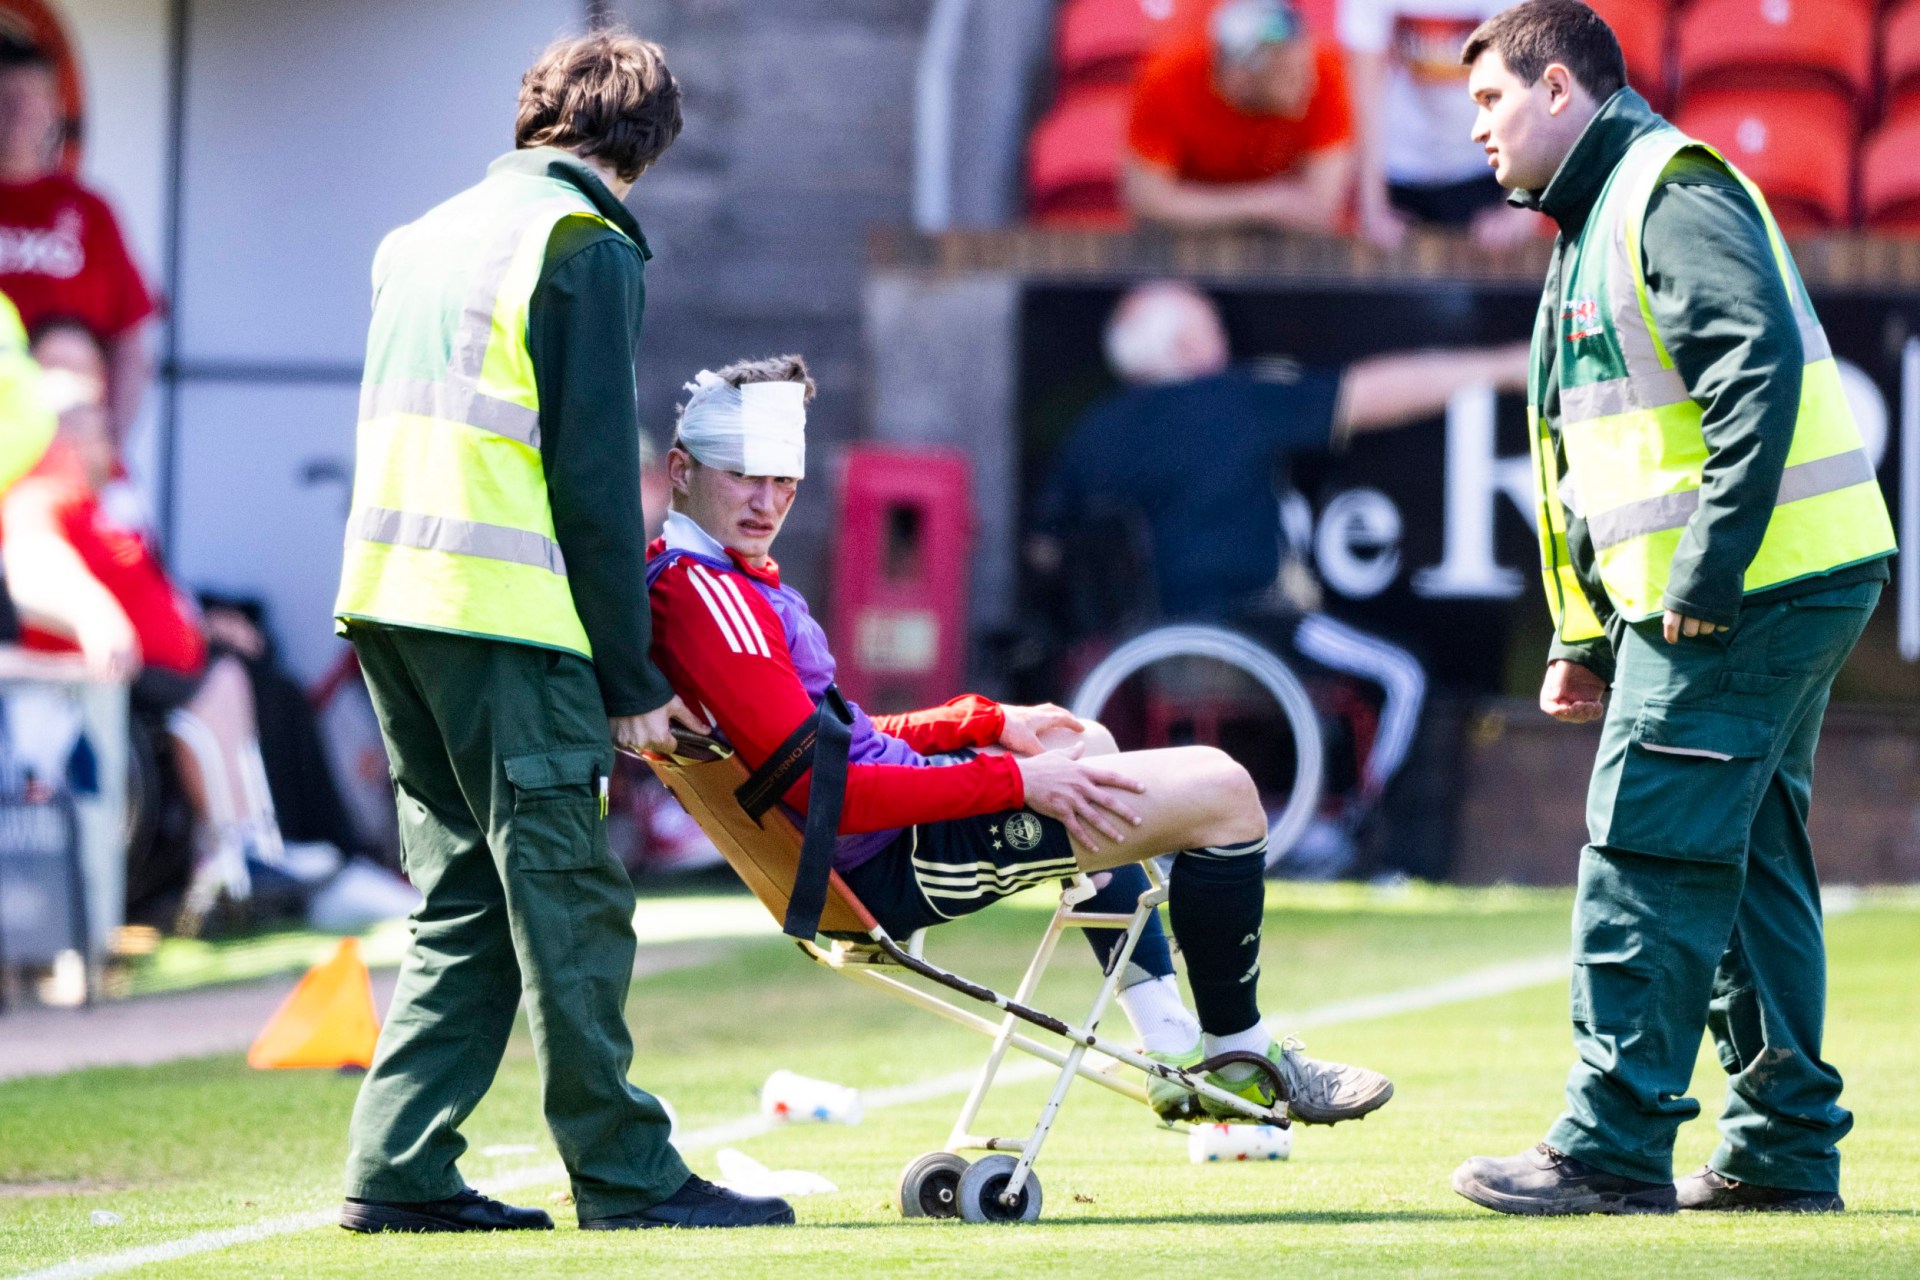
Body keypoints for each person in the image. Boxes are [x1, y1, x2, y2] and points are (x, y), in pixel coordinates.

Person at [647, 353, 1398, 1129]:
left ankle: (1175, 1045)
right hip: (890, 859)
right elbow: (823, 789)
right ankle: (1240, 1054)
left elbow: (840, 740)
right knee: (1226, 792)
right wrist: (1014, 784)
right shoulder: (710, 596)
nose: (766, 502)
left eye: (784, 481)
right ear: (680, 470)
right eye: (743, 477)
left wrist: (987, 721)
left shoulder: (712, 577)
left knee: (1087, 742)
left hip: (881, 841)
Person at [331, 31, 789, 1233]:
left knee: (464, 896)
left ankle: (400, 1165)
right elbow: (593, 482)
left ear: (536, 116)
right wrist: (632, 679)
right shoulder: (585, 244)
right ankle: (627, 1172)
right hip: (504, 617)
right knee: (567, 893)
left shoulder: (418, 236)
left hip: (390, 599)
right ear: (646, 149)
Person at [1450, 1, 1895, 1217]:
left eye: (1491, 101)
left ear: (1558, 90)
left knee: (1646, 847)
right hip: (1771, 578)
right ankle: (1782, 1147)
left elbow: (1753, 370)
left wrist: (1699, 580)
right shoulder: (1603, 212)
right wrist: (1586, 629)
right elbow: (1587, 465)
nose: (1477, 132)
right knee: (1745, 864)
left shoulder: (1663, 190)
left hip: (1741, 589)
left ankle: (1609, 1143)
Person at [1029, 281, 1526, 873]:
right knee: (1404, 674)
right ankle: (1370, 842)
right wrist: (1505, 367)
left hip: (1141, 649)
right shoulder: (1232, 400)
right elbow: (1372, 394)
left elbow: (1045, 548)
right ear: (1189, 345)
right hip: (1253, 626)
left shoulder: (1095, 433)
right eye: (1213, 325)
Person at [0, 39, 156, 451]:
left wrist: (110, 446)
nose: (17, 113)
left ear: (55, 109)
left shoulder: (90, 212)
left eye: (30, 98)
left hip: (66, 451)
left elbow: (130, 342)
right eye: (6, 98)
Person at [1125, 0, 1356, 234]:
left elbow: (1320, 209)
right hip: (1183, 245)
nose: (1308, 82)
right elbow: (1148, 202)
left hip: (1280, 248)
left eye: (1304, 63)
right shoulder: (1168, 81)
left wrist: (1200, 206)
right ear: (1239, 78)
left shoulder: (1324, 72)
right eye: (1286, 72)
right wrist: (1263, 204)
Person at [1337, 0, 1541, 248]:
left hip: (1483, 168)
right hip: (1399, 170)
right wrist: (1372, 207)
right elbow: (1365, 92)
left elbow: (1532, 90)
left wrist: (1520, 205)